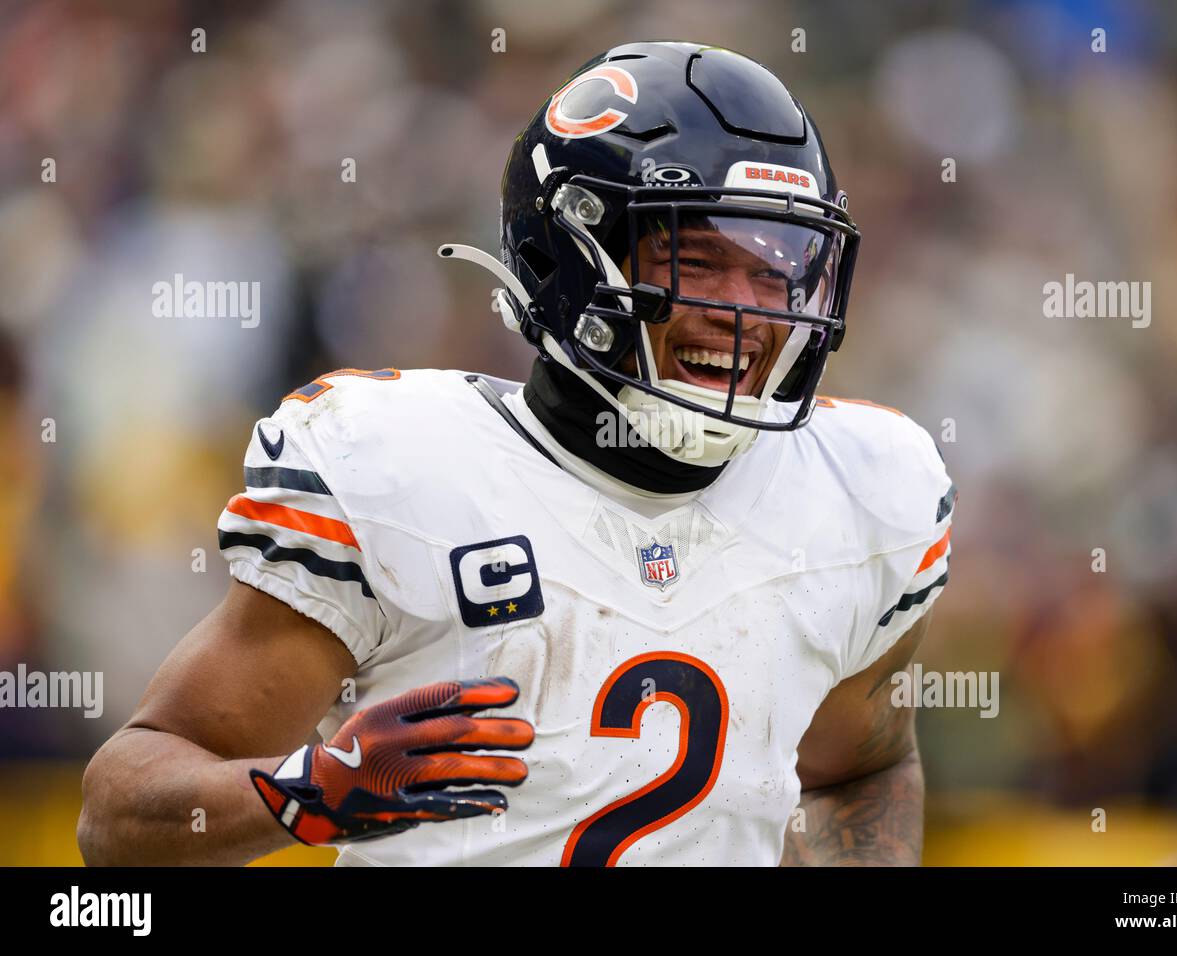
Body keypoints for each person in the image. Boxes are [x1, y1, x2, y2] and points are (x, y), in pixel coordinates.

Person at [78, 40, 955, 867]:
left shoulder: (861, 493)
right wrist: (306, 793)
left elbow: (857, 769)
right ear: (567, 259)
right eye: (697, 259)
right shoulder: (401, 471)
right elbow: (118, 814)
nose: (747, 309)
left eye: (777, 268)